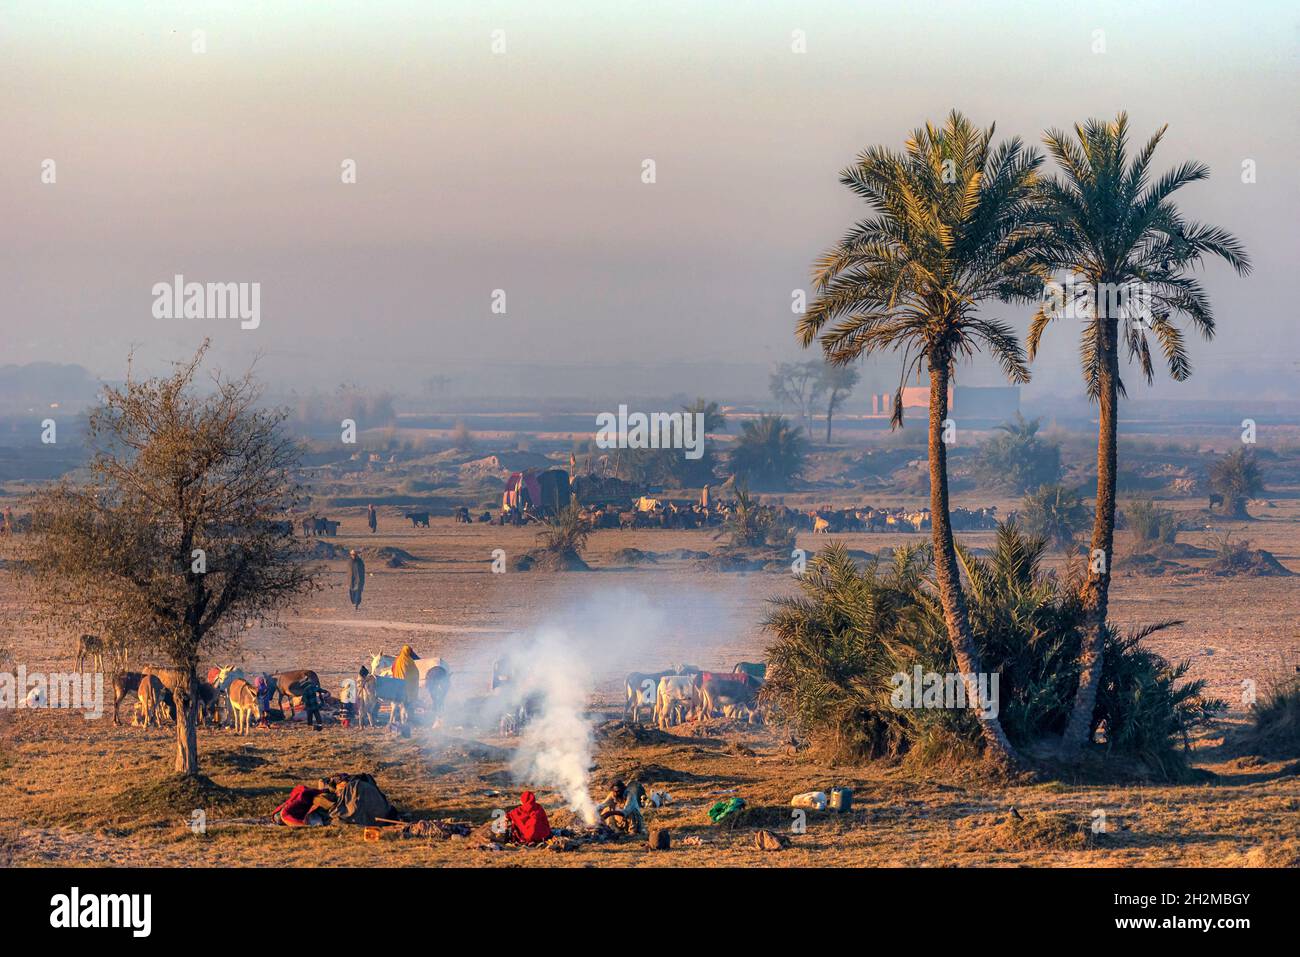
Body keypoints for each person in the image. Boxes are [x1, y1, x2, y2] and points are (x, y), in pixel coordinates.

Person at [392, 644, 420, 724]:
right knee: (407, 703)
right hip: (408, 686)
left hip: (397, 685)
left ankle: (396, 719)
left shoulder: (397, 660)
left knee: (397, 703)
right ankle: (408, 719)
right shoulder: (410, 661)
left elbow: (393, 669)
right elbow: (415, 672)